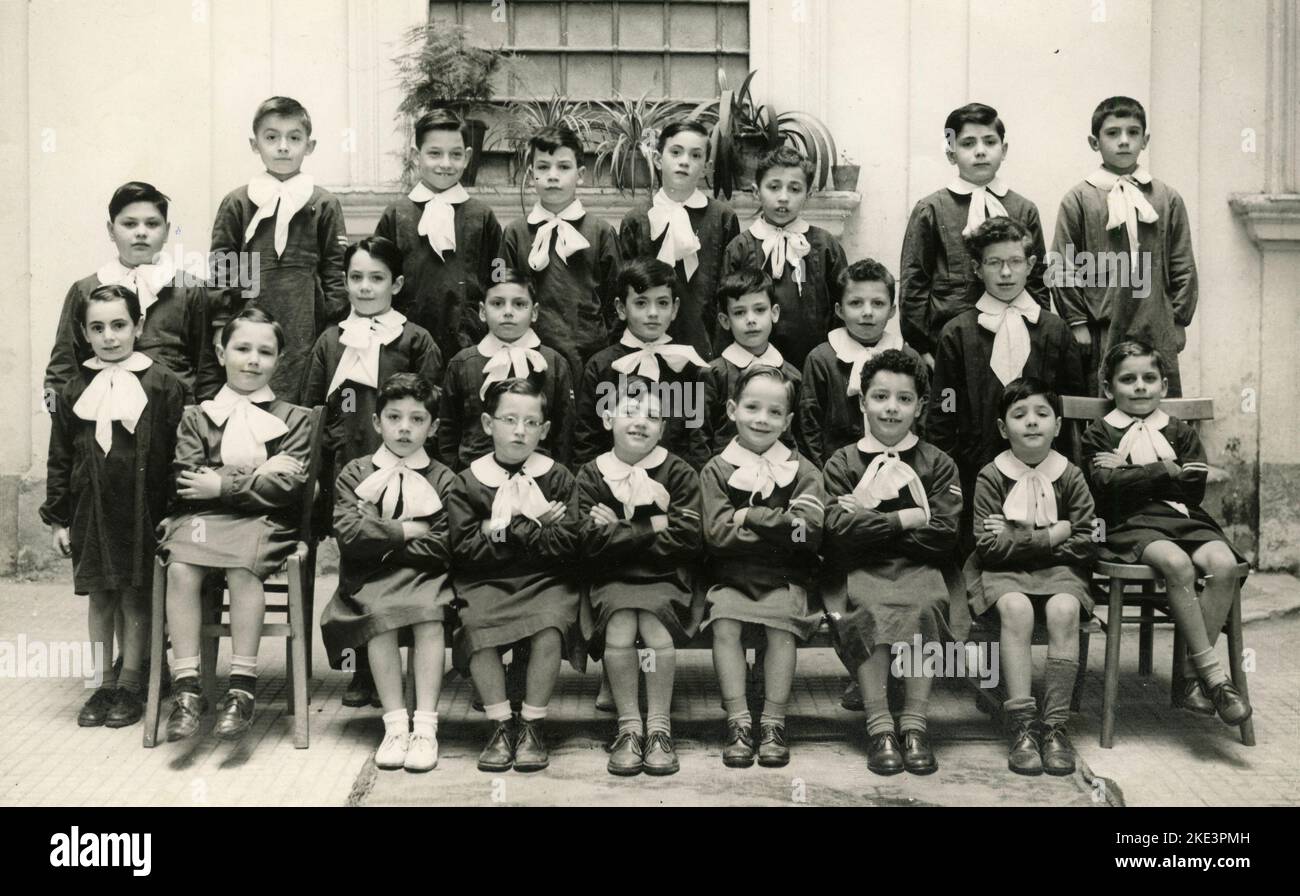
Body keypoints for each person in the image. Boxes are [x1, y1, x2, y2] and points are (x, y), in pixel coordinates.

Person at [157, 307, 312, 742]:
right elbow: (188, 482)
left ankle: (242, 688)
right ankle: (187, 688)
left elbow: (288, 487)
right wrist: (257, 474)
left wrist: (221, 484)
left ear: (279, 359)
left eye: (266, 351)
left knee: (245, 568)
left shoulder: (293, 418)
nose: (252, 360)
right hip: (202, 521)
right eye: (242, 348)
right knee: (182, 565)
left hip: (262, 523)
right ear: (221, 351)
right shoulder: (198, 416)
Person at [301, 236, 443, 707]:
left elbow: (431, 407)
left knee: (407, 558)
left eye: (377, 278)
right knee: (359, 561)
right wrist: (321, 471)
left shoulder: (414, 339)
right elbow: (313, 411)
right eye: (356, 278)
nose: (366, 287)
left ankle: (407, 664)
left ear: (396, 283)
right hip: (351, 467)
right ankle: (363, 669)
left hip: (409, 469)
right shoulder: (330, 340)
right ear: (344, 283)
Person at [1081, 340, 1250, 725]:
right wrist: (1166, 470)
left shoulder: (1179, 431)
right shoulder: (1099, 434)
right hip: (1127, 524)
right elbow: (1105, 489)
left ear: (1164, 386)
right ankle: (1213, 678)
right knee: (1176, 563)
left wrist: (1130, 472)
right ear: (1109, 389)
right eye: (1128, 379)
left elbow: (1193, 489)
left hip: (1183, 518)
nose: (1140, 386)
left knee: (1223, 564)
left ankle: (1190, 679)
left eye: (1149, 378)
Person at [41, 284, 186, 728]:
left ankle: (130, 682)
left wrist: (174, 514)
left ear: (138, 326)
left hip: (142, 510)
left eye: (119, 325)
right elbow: (60, 457)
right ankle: (102, 684)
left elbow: (180, 455)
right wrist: (59, 518)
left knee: (134, 596)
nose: (109, 337)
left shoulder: (163, 385)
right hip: (91, 510)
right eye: (97, 328)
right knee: (100, 596)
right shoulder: (73, 389)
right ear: (84, 333)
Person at [822, 350, 961, 776]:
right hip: (858, 572)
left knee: (923, 607)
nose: (891, 408)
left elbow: (943, 535)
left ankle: (915, 724)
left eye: (904, 399)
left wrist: (868, 521)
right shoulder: (842, 462)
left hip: (923, 569)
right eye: (880, 397)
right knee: (868, 607)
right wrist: (906, 517)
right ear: (862, 402)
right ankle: (880, 725)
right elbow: (837, 533)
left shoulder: (937, 463)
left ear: (920, 406)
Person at [321, 374, 456, 772]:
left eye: (417, 419)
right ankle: (395, 724)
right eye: (394, 417)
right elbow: (348, 535)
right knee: (380, 617)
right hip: (369, 580)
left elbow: (446, 544)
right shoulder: (355, 473)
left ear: (432, 428)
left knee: (429, 617)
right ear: (377, 422)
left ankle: (426, 727)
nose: (404, 428)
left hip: (427, 579)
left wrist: (379, 534)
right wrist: (410, 529)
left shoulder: (444, 478)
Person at [446, 378, 580, 773]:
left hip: (544, 580)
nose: (520, 430)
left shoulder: (557, 477)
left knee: (551, 625)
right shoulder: (469, 481)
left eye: (530, 422)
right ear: (488, 424)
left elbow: (565, 546)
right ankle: (501, 724)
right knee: (476, 625)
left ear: (545, 429)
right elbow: (466, 550)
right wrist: (530, 524)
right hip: (485, 582)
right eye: (509, 419)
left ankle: (533, 726)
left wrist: (497, 529)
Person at [965, 378, 1096, 776]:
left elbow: (1087, 540)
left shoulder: (1070, 475)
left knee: (1064, 609)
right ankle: (1022, 722)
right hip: (1002, 573)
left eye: (1042, 414)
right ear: (1004, 428)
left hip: (1060, 573)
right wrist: (1053, 533)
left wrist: (1017, 535)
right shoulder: (992, 475)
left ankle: (1055, 725)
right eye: (1020, 415)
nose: (1032, 422)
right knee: (1017, 608)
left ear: (1058, 424)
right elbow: (989, 549)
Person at [700, 365, 825, 769]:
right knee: (725, 622)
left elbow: (807, 536)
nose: (761, 419)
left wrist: (749, 517)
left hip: (785, 580)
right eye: (752, 407)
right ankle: (738, 720)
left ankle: (773, 721)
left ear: (788, 421)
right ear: (733, 409)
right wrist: (781, 526)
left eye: (774, 412)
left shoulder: (802, 470)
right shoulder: (718, 469)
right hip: (732, 579)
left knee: (781, 623)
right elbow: (717, 536)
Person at [574, 386, 702, 776]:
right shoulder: (593, 473)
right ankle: (629, 726)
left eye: (652, 416)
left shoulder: (677, 471)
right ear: (608, 420)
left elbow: (688, 535)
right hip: (610, 578)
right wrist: (654, 525)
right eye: (630, 411)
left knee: (653, 620)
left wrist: (622, 529)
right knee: (619, 621)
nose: (641, 421)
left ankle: (660, 726)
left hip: (666, 576)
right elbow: (588, 541)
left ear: (662, 428)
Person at [1051, 97, 1198, 396]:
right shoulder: (1079, 199)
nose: (1123, 141)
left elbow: (1182, 262)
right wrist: (1076, 322)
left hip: (1155, 324)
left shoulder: (1167, 198)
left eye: (1132, 133)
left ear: (1145, 140)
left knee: (1156, 405)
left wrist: (1179, 320)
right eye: (1113, 133)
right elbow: (1061, 265)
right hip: (1100, 326)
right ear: (1095, 142)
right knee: (1101, 410)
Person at [209, 96, 348, 401]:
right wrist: (222, 323)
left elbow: (335, 271)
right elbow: (222, 271)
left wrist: (335, 327)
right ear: (255, 143)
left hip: (305, 322)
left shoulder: (323, 204)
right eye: (271, 138)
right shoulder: (238, 202)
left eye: (294, 138)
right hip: (252, 316)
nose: (283, 147)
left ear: (309, 146)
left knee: (302, 400)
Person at [899, 102, 1049, 364]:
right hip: (948, 342)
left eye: (989, 142)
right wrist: (921, 346)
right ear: (951, 154)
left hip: (1016, 338)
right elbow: (915, 281)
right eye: (968, 143)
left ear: (1003, 150)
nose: (980, 152)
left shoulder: (1023, 209)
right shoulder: (931, 209)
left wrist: (1038, 336)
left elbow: (1037, 280)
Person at [375, 109, 503, 362]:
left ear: (467, 157)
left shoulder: (481, 216)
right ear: (416, 155)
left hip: (470, 343)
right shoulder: (396, 215)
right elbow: (379, 279)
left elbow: (497, 279)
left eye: (455, 154)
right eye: (434, 153)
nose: (445, 163)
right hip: (406, 341)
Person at [498, 125, 620, 378]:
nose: (553, 175)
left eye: (563, 167)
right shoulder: (515, 233)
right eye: (543, 167)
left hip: (589, 354)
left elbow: (615, 300)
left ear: (581, 174)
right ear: (531, 175)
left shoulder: (601, 232)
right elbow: (502, 291)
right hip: (530, 353)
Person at [618, 119, 739, 359]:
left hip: (705, 345)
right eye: (675, 152)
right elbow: (623, 290)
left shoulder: (722, 218)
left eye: (696, 156)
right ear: (657, 159)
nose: (684, 161)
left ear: (707, 166)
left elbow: (730, 289)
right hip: (646, 346)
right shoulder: (637, 219)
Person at [722, 146, 847, 368]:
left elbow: (842, 308)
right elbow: (725, 309)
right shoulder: (740, 247)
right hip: (753, 364)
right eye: (773, 187)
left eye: (795, 189)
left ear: (808, 194)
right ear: (756, 191)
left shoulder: (825, 245)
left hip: (812, 361)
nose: (783, 197)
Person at [437, 272, 575, 470]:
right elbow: (448, 432)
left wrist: (556, 481)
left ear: (534, 312)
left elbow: (564, 433)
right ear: (482, 311)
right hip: (476, 480)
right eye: (497, 303)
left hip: (538, 478)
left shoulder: (554, 363)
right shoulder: (462, 363)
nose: (508, 312)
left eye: (519, 304)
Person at [703, 268, 804, 454]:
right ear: (725, 320)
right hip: (726, 473)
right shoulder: (712, 373)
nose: (751, 320)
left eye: (759, 310)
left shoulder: (792, 375)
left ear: (774, 313)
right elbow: (699, 436)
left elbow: (798, 436)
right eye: (740, 312)